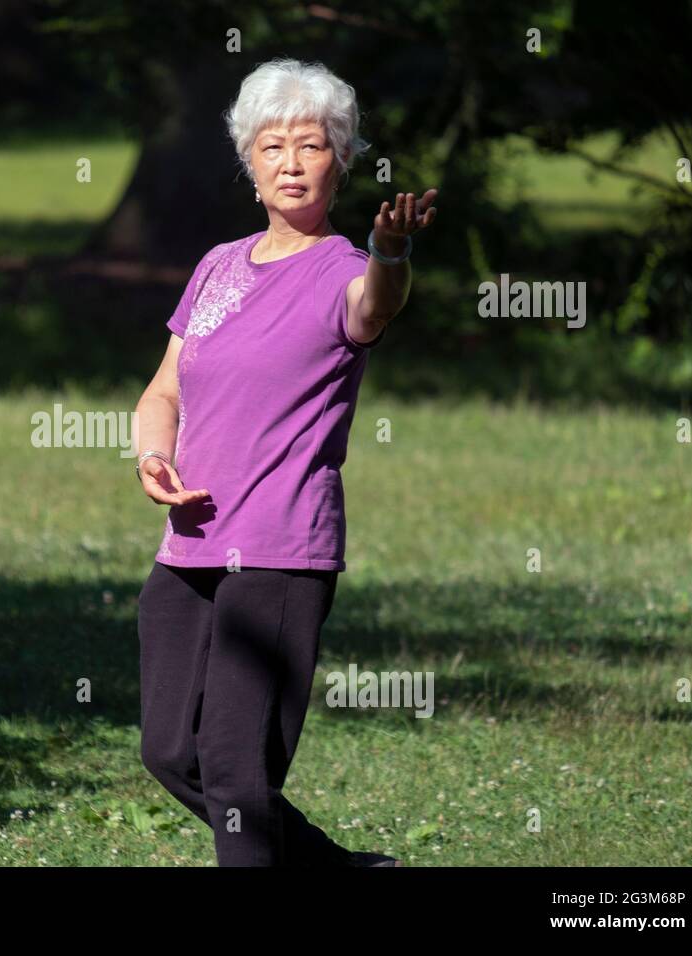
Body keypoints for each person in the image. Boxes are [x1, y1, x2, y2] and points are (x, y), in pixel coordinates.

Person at [131, 58, 438, 867]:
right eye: (273, 146)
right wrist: (153, 455)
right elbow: (162, 391)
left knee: (237, 770)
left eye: (312, 145)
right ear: (250, 162)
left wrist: (391, 254)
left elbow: (374, 307)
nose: (292, 162)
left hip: (279, 547)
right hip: (189, 543)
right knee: (170, 754)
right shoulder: (218, 266)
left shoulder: (343, 272)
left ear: (340, 160)